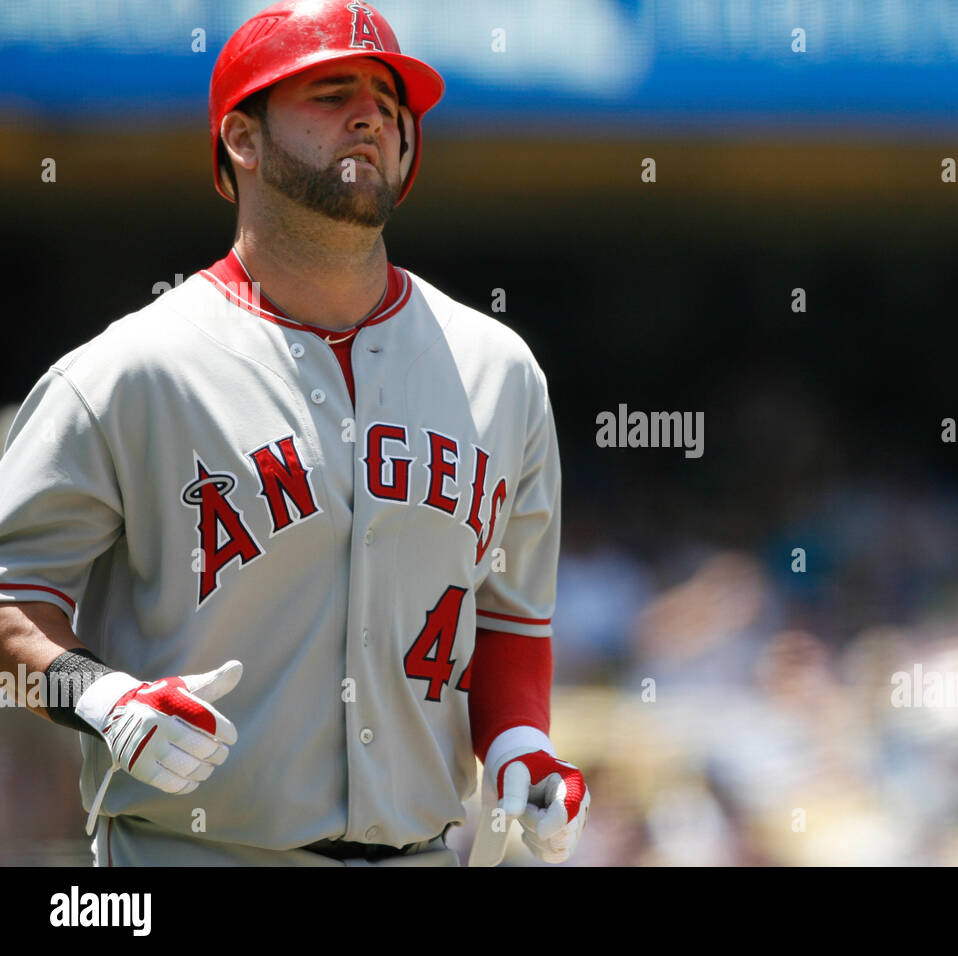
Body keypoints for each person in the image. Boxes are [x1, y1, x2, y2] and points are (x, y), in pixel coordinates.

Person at [0, 0, 588, 867]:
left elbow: (510, 618)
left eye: (390, 103)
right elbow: (11, 603)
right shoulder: (127, 372)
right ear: (242, 137)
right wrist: (103, 698)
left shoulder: (500, 372)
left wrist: (515, 745)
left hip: (424, 852)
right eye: (329, 91)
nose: (371, 116)